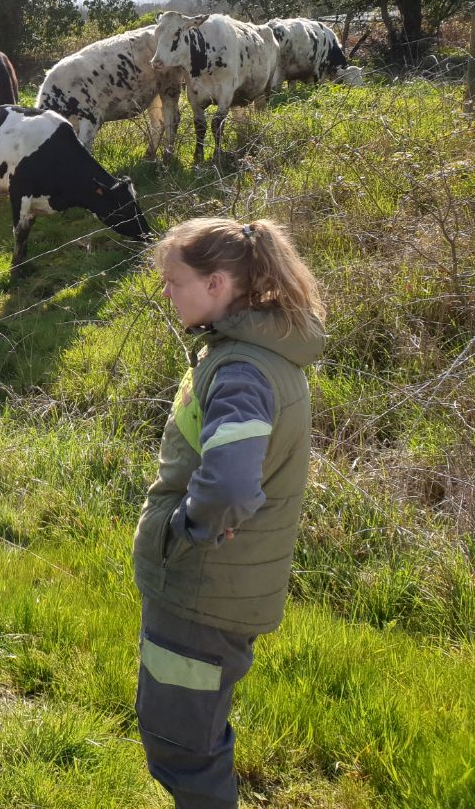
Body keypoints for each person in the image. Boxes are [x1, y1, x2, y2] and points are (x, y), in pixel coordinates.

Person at [134, 217, 327, 809]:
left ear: (217, 283)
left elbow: (232, 483)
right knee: (195, 730)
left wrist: (184, 529)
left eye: (175, 280)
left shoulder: (241, 369)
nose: (166, 292)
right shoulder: (259, 354)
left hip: (201, 589)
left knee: (184, 749)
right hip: (221, 587)